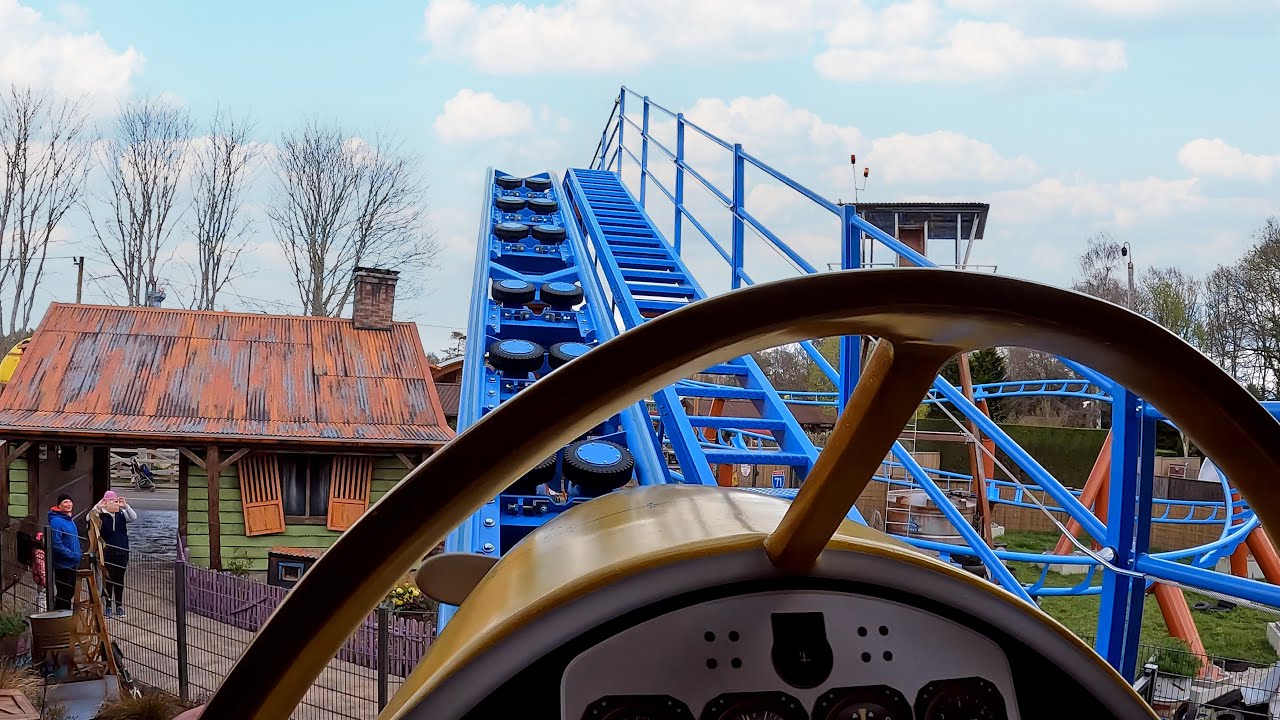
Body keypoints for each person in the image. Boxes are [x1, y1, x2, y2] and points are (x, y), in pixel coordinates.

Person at [92, 490, 135, 617]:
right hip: (107, 551)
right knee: (108, 579)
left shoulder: (122, 514)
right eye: (110, 501)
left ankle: (119, 605)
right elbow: (89, 518)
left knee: (119, 578)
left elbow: (133, 517)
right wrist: (98, 506)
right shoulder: (101, 516)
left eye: (114, 500)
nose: (113, 503)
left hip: (122, 551)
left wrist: (125, 506)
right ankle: (108, 605)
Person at [48, 494, 81, 610]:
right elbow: (57, 543)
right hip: (64, 564)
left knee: (69, 592)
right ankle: (61, 618)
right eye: (65, 502)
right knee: (64, 594)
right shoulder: (57, 521)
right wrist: (72, 555)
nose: (68, 504)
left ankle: (65, 617)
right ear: (59, 505)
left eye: (70, 502)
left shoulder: (68, 519)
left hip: (71, 563)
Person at [31, 531, 46, 612]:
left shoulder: (36, 551)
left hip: (39, 578)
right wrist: (45, 581)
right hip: (42, 579)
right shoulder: (39, 553)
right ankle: (42, 613)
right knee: (42, 596)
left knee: (41, 594)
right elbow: (41, 569)